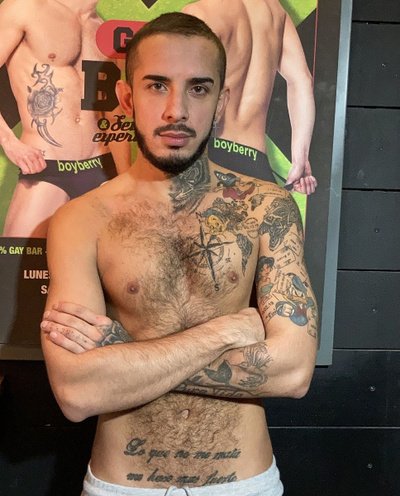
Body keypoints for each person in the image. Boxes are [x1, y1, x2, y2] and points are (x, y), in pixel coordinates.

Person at [41, 13, 318, 495]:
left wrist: (125, 356)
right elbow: (78, 391)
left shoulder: (265, 207)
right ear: (127, 98)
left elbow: (293, 372)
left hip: (243, 484)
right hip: (121, 487)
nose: (176, 110)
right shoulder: (81, 220)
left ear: (221, 101)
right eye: (157, 86)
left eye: (198, 88)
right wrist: (223, 332)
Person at [0, 0, 130, 238]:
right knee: (18, 260)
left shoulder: (103, 29)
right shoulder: (26, 7)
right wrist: (10, 143)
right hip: (46, 167)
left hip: (102, 169)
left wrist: (127, 180)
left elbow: (112, 113)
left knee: (108, 261)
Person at [182, 0, 317, 194]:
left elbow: (187, 88)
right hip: (256, 163)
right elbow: (302, 81)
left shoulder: (200, 12)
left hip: (210, 158)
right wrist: (300, 161)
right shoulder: (275, 12)